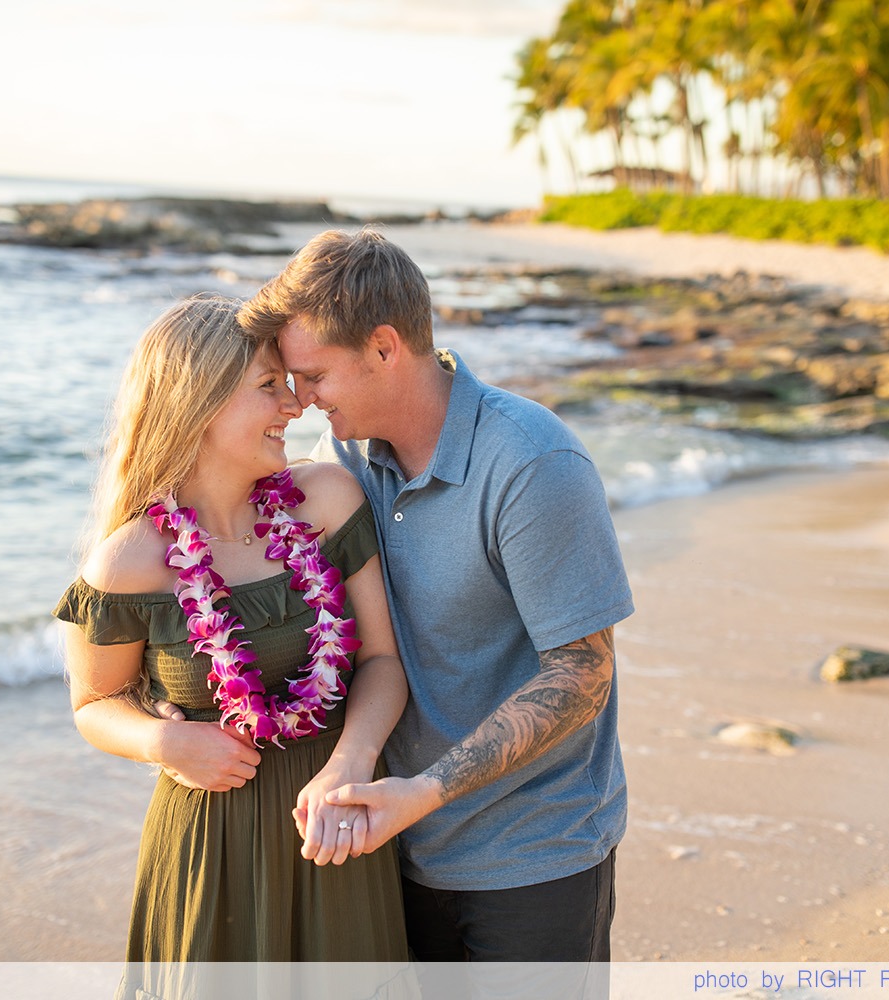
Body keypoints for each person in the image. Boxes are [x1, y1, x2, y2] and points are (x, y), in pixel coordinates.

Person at [239, 229, 634, 963]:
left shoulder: (531, 463)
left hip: (534, 856)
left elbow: (582, 673)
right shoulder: (346, 458)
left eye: (314, 375)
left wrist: (427, 789)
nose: (299, 400)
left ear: (384, 348)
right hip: (392, 846)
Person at [53, 293, 412, 982]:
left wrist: (351, 762)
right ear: (199, 402)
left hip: (337, 828)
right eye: (268, 387)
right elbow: (92, 706)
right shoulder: (129, 563)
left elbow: (382, 659)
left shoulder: (328, 501)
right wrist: (166, 741)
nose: (294, 405)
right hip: (210, 849)